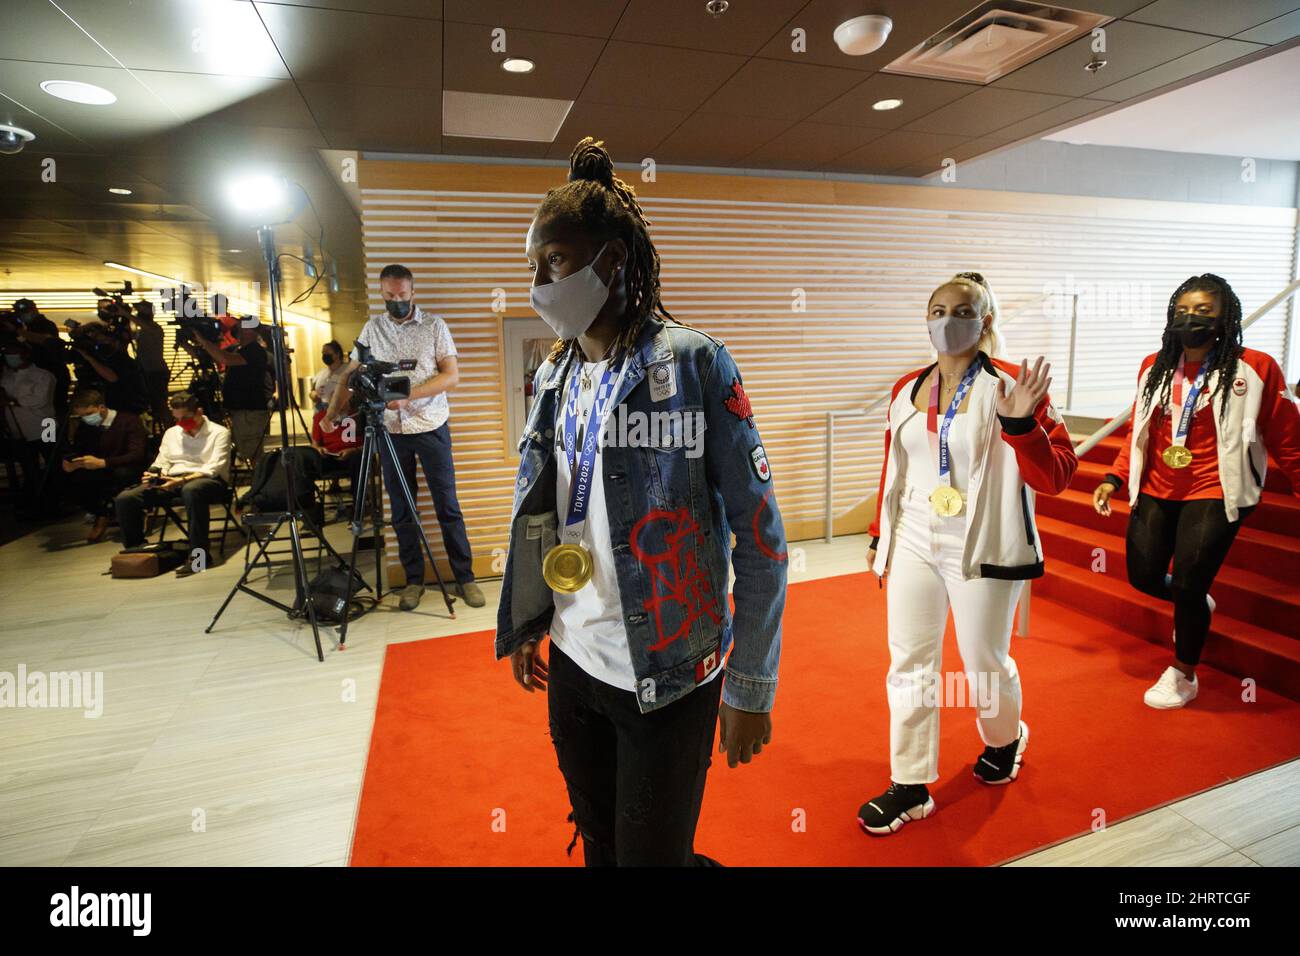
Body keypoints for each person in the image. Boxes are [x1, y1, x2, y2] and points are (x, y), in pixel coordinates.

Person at [496, 137, 788, 866]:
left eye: (554, 262)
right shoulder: (555, 377)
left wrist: (750, 685)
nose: (538, 282)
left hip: (666, 675)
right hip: (572, 661)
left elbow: (760, 537)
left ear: (613, 262)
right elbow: (546, 510)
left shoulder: (695, 365)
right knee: (598, 843)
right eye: (533, 265)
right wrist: (530, 616)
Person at [859, 272, 1076, 835]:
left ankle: (1006, 737)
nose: (946, 320)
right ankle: (910, 784)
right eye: (937, 309)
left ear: (986, 322)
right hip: (913, 534)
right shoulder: (907, 386)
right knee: (909, 660)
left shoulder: (1011, 385)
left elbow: (1056, 477)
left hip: (980, 541)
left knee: (983, 663)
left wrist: (1023, 423)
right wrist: (881, 533)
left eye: (962, 310)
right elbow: (896, 462)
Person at [1093, 274, 1300, 709]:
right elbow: (1139, 431)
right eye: (1184, 311)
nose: (1192, 318)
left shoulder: (1255, 368)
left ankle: (1183, 673)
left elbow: (1286, 436)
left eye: (1204, 311)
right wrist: (1114, 476)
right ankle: (1195, 600)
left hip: (1217, 488)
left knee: (1188, 582)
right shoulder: (1154, 366)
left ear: (1226, 317)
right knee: (1144, 575)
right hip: (1155, 486)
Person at [321, 265, 483, 610]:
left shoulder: (434, 326)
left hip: (431, 424)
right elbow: (349, 375)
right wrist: (332, 415)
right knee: (402, 510)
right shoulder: (371, 329)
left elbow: (451, 376)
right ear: (382, 292)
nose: (396, 301)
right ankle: (413, 582)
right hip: (390, 430)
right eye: (390, 296)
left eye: (402, 295)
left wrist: (408, 394)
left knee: (447, 506)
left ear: (412, 292)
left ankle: (464, 577)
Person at [113, 392, 232, 575]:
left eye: (185, 418)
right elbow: (162, 461)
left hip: (207, 480)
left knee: (193, 491)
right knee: (126, 498)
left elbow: (214, 468)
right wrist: (153, 473)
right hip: (173, 479)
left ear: (199, 412)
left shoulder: (219, 433)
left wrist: (182, 480)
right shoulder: (172, 433)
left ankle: (199, 557)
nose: (181, 423)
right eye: (177, 418)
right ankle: (136, 552)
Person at [62, 387, 149, 542]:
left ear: (101, 407)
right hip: (98, 466)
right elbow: (79, 449)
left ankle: (119, 513)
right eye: (81, 416)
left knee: (121, 475)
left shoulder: (128, 420)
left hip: (128, 465)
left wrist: (104, 463)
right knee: (72, 480)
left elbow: (137, 454)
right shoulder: (85, 426)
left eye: (88, 414)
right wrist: (73, 462)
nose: (86, 418)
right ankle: (101, 511)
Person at [191, 319, 272, 466]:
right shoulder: (239, 349)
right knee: (247, 450)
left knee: (253, 453)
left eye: (240, 327)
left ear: (249, 330)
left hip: (249, 411)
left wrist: (203, 340)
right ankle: (259, 482)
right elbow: (213, 357)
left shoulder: (255, 350)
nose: (236, 331)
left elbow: (225, 359)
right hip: (242, 410)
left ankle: (261, 483)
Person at [1, 340, 57, 506]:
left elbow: (40, 400)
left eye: (13, 353)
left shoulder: (43, 375)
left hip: (46, 424)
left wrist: (11, 401)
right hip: (18, 429)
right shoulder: (6, 376)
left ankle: (56, 497)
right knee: (29, 466)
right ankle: (37, 499)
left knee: (52, 461)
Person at [69, 321, 148, 415]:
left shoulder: (119, 358)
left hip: (123, 407)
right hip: (118, 405)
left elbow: (112, 377)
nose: (100, 344)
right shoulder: (106, 356)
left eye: (100, 339)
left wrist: (89, 357)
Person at [129, 300, 170, 428]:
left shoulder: (155, 328)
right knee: (151, 404)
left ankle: (169, 428)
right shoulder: (142, 330)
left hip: (156, 371)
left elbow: (144, 325)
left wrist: (126, 314)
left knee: (160, 405)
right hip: (146, 370)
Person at [310, 341, 347, 412]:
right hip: (320, 414)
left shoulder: (348, 371)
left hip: (340, 417)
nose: (324, 355)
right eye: (323, 353)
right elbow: (312, 392)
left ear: (338, 354)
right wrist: (315, 394)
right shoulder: (321, 373)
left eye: (327, 352)